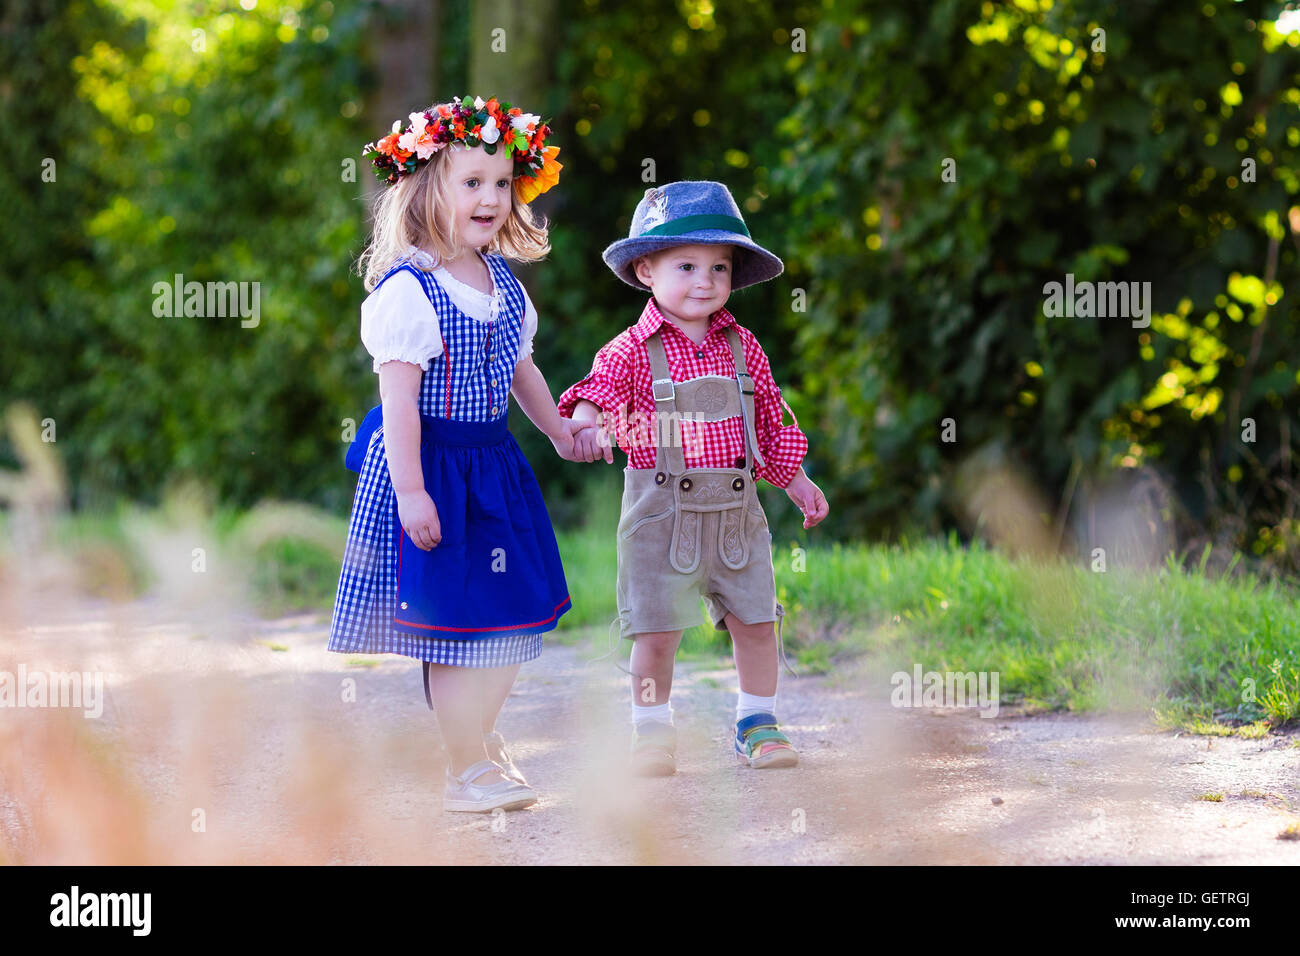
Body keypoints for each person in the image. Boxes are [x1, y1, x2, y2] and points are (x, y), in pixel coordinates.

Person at [329, 96, 600, 813]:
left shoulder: (503, 285)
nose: (491, 196)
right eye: (472, 182)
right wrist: (413, 491)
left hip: (492, 467)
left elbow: (521, 370)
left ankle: (473, 738)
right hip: (433, 467)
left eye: (503, 183)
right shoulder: (409, 293)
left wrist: (559, 429)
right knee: (450, 625)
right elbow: (399, 404)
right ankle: (463, 766)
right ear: (427, 191)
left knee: (511, 613)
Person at [557, 181, 830, 775]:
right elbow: (597, 393)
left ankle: (757, 722)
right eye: (686, 265)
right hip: (659, 516)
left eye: (719, 267)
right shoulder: (630, 350)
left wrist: (796, 480)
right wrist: (587, 422)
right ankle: (651, 731)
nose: (704, 281)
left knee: (757, 621)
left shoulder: (743, 347)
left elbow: (768, 422)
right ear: (647, 270)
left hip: (736, 513)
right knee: (657, 631)